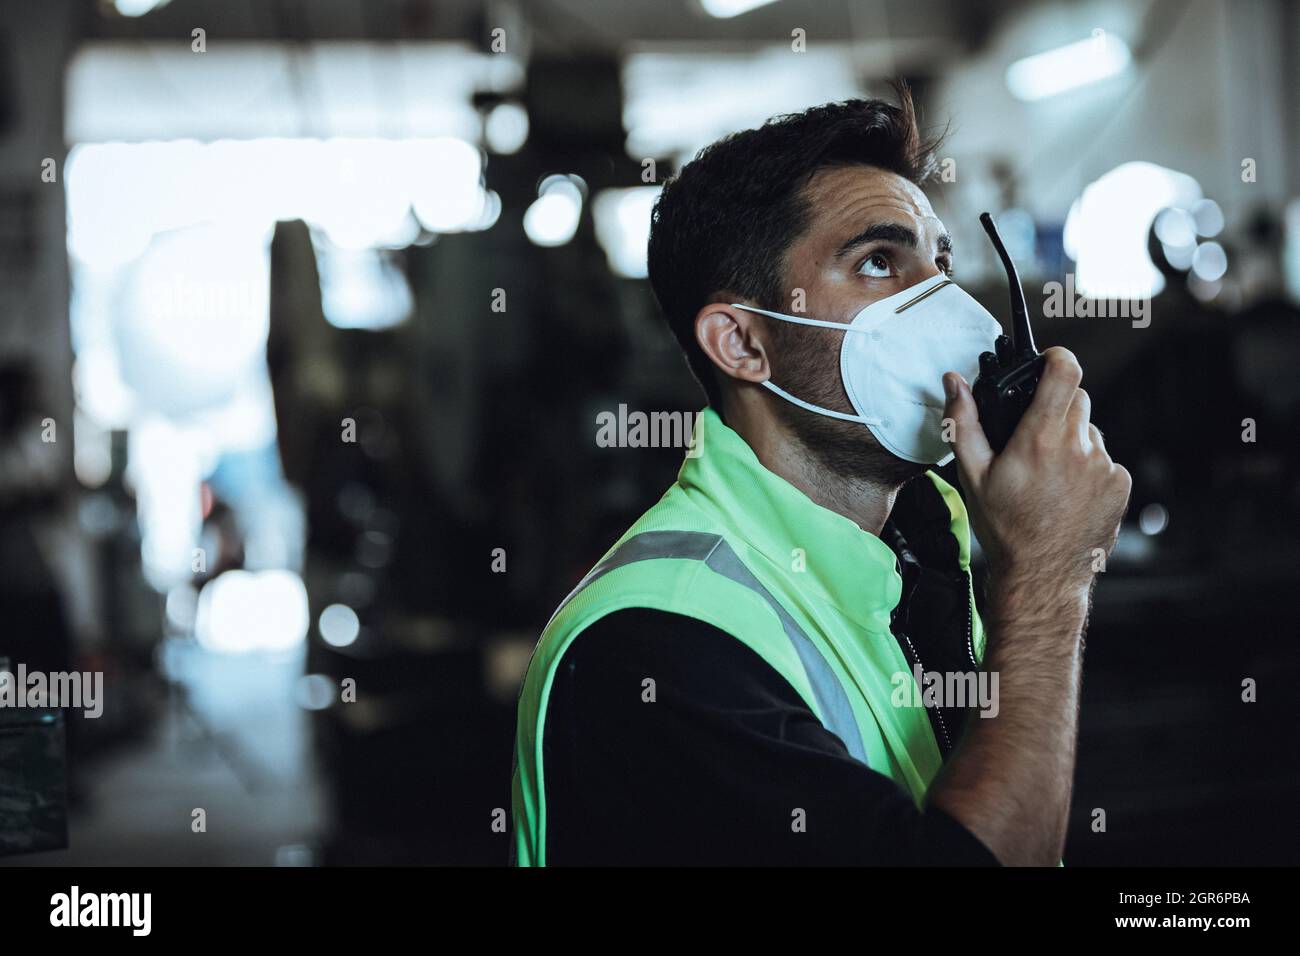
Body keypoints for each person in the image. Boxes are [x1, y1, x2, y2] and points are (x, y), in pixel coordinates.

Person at [511, 87, 1131, 866]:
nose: (944, 303)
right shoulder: (654, 647)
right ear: (741, 345)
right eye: (879, 262)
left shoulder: (925, 549)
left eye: (940, 262)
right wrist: (1049, 581)